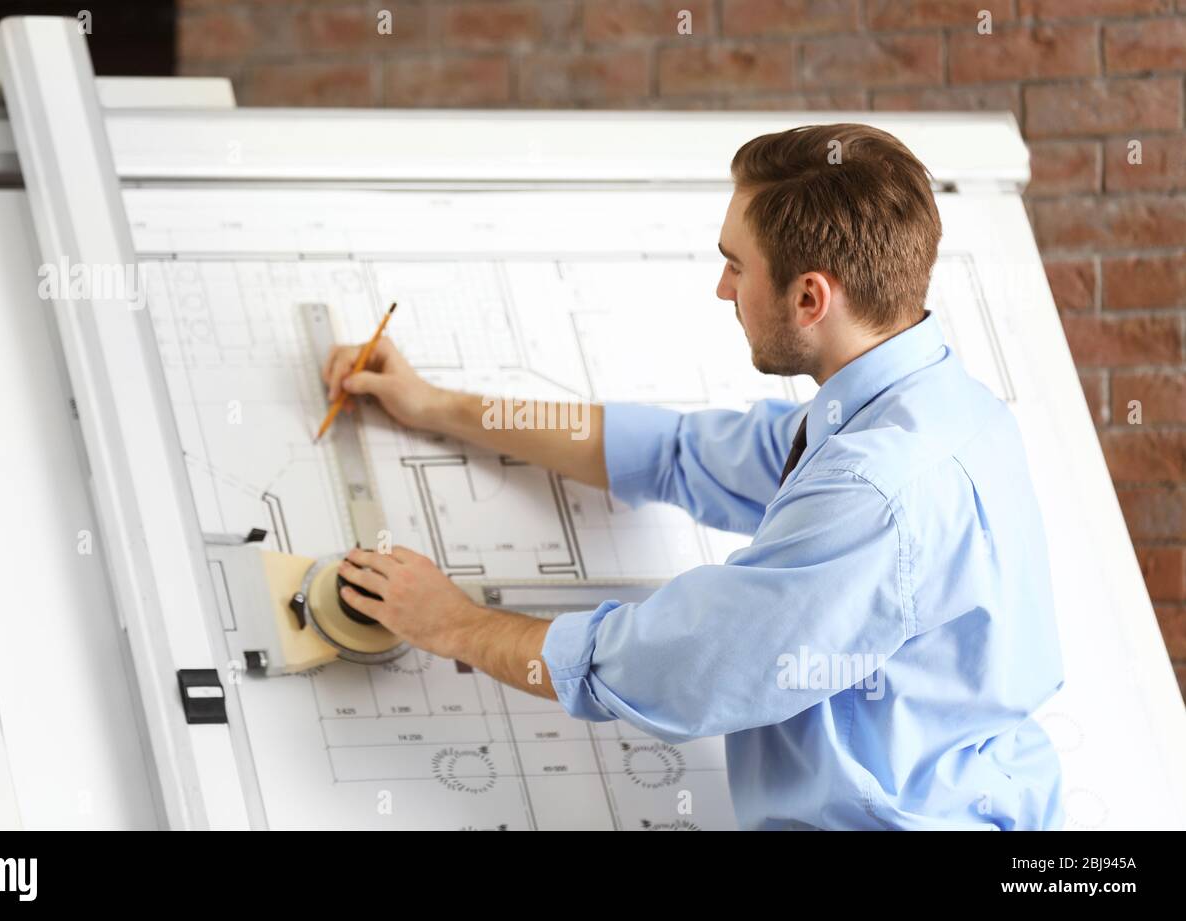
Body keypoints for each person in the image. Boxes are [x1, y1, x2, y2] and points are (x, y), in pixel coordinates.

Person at [323, 123, 1065, 830]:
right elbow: (673, 452)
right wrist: (435, 404)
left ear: (810, 298)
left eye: (737, 265)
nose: (722, 288)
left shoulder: (874, 492)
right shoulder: (926, 406)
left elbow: (679, 667)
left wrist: (453, 622)